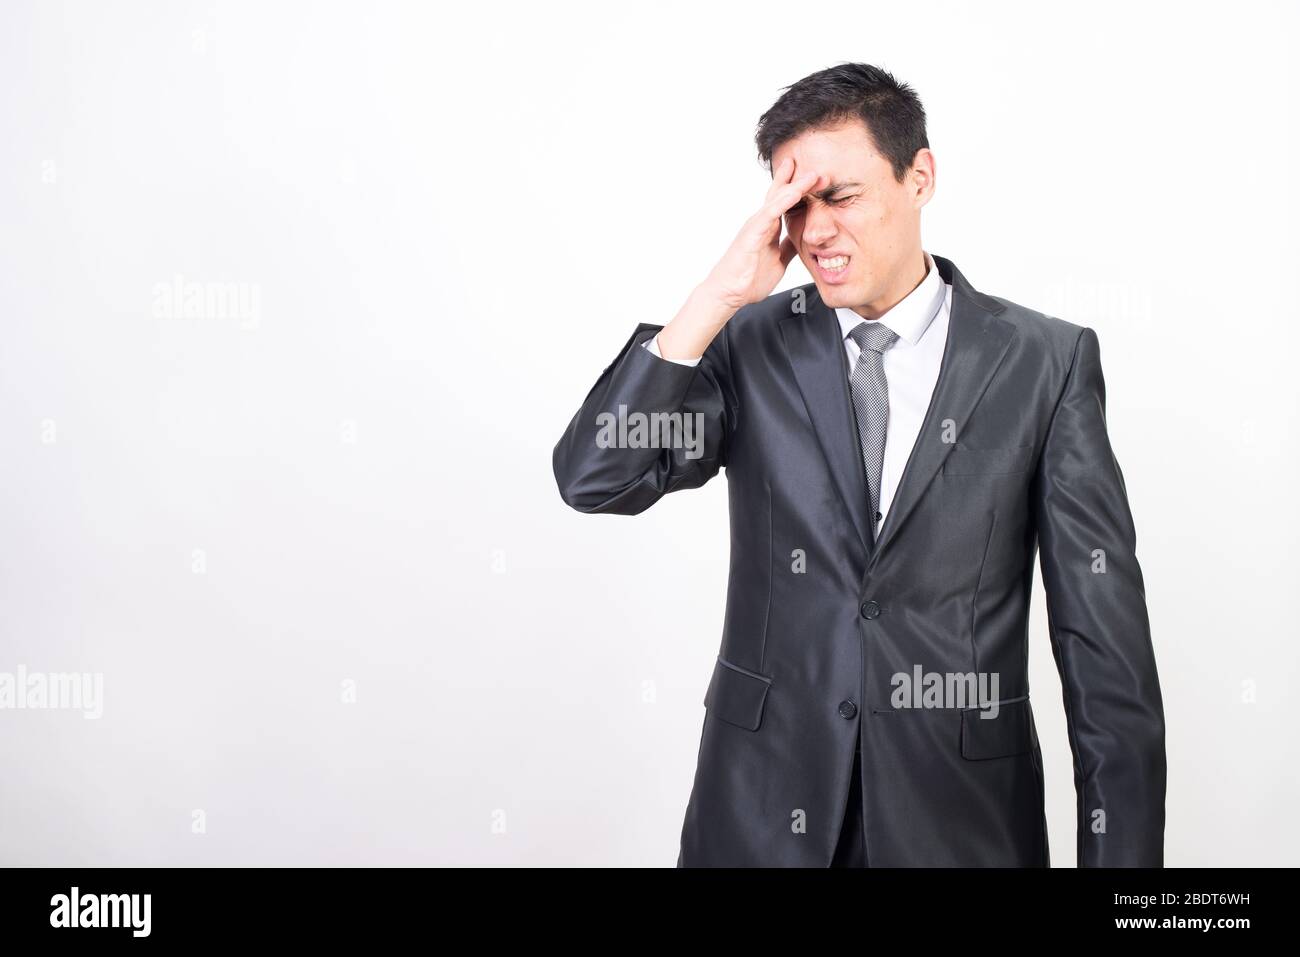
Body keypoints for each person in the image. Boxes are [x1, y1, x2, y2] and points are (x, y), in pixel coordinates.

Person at [552, 63, 1165, 867]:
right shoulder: (748, 346)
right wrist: (714, 299)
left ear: (921, 177)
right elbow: (597, 475)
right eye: (794, 204)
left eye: (838, 196)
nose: (814, 231)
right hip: (761, 820)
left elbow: (1105, 659)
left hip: (960, 828)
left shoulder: (1044, 364)